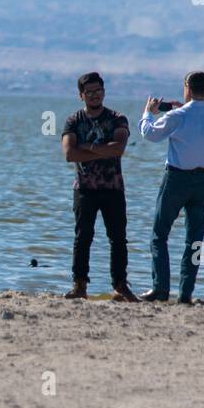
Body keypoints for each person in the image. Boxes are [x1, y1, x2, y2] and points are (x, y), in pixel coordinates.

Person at [138, 71, 204, 304]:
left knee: (159, 235)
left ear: (187, 88)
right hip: (203, 182)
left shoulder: (178, 116)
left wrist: (148, 112)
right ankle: (186, 293)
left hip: (177, 179)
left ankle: (160, 289)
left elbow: (148, 134)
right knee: (196, 240)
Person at [60, 72, 139, 302]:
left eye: (99, 91)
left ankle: (120, 286)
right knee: (83, 237)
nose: (95, 96)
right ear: (81, 95)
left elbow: (118, 149)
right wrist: (101, 148)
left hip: (113, 188)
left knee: (118, 239)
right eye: (90, 92)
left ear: (104, 92)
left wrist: (88, 147)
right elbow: (69, 154)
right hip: (84, 188)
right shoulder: (73, 121)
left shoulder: (117, 118)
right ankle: (80, 285)